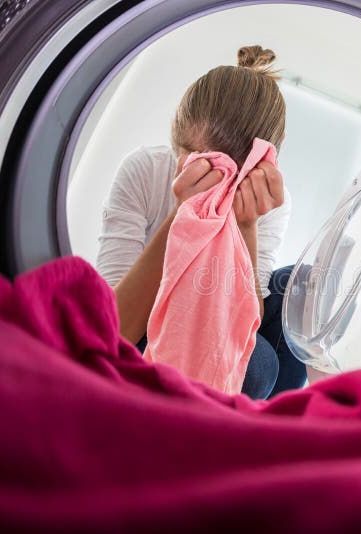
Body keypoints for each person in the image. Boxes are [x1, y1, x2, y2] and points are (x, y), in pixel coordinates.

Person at [96, 45, 307, 399]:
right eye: (200, 162)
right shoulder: (145, 171)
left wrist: (246, 227)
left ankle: (271, 424)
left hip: (223, 311)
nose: (216, 186)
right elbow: (111, 332)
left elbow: (245, 319)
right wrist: (183, 216)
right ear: (176, 139)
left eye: (230, 176)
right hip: (147, 321)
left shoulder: (269, 200)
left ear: (272, 156)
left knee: (300, 286)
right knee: (257, 365)